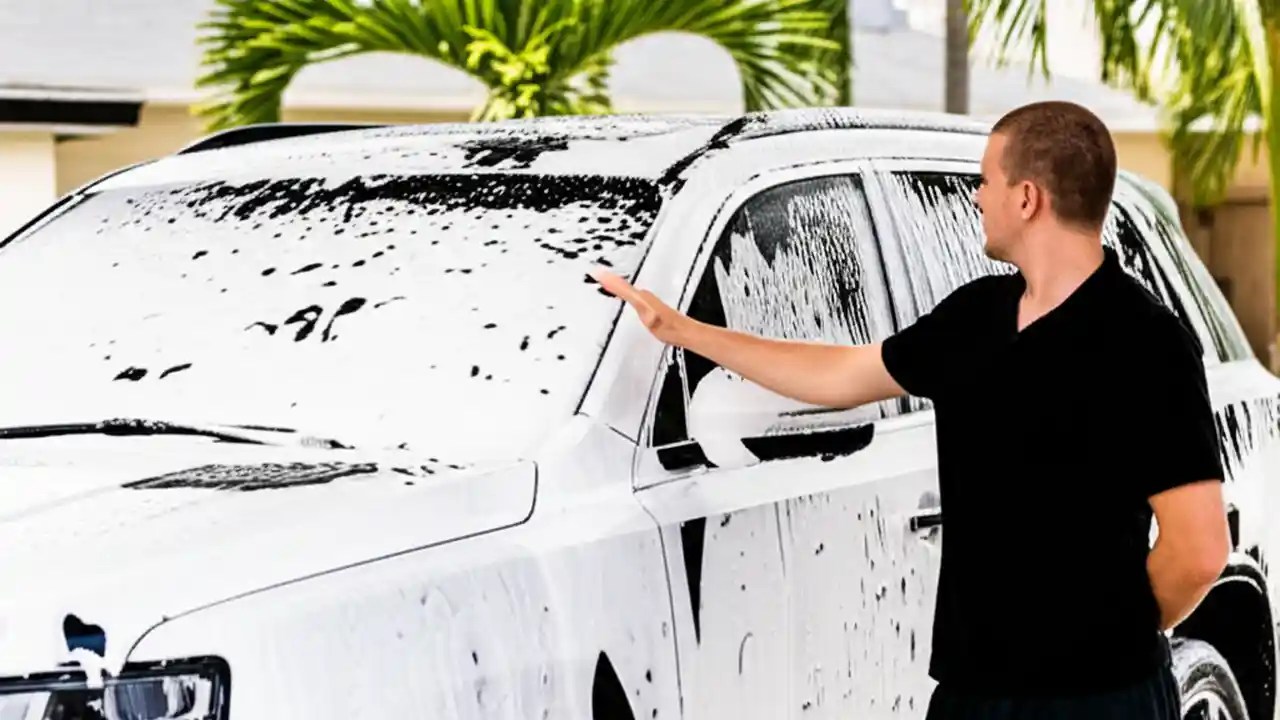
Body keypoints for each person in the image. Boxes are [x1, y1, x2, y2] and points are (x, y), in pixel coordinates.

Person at [590, 100, 1231, 719]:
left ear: (1028, 198)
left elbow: (1200, 551)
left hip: (1101, 698)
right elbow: (842, 373)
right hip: (972, 692)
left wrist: (1101, 641)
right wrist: (688, 332)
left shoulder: (1148, 342)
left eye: (986, 181)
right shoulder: (976, 317)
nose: (977, 197)